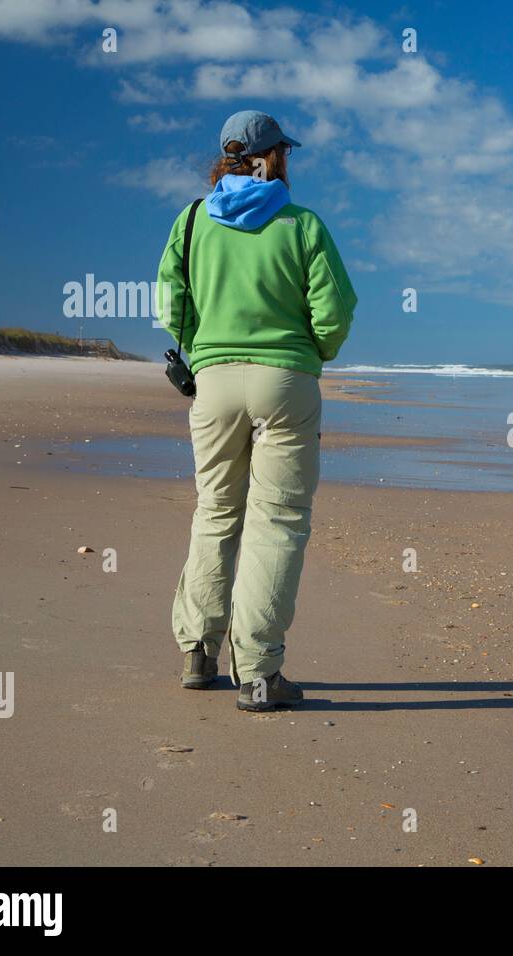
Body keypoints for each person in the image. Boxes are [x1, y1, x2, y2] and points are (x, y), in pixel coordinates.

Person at [157, 109, 357, 711]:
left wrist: (205, 351)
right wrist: (309, 354)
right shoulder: (302, 224)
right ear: (277, 158)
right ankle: (261, 672)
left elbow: (171, 302)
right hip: (286, 383)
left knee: (216, 511)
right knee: (280, 520)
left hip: (214, 385)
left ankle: (198, 651)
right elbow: (336, 312)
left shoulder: (191, 221)